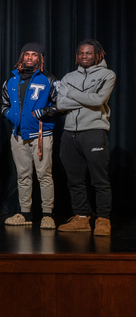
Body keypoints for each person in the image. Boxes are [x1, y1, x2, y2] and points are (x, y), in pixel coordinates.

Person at [56, 39, 116, 236]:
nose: (84, 56)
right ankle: (81, 218)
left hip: (94, 132)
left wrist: (71, 93)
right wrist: (85, 98)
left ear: (98, 54)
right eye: (81, 53)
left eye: (89, 53)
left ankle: (103, 219)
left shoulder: (107, 75)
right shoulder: (68, 76)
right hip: (69, 134)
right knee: (74, 180)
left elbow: (99, 100)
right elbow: (60, 104)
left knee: (99, 179)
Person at [1, 42, 60, 229]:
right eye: (26, 54)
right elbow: (2, 105)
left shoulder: (49, 79)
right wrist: (11, 116)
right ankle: (25, 213)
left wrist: (42, 113)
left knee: (44, 174)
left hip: (41, 134)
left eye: (34, 55)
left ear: (40, 58)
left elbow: (61, 104)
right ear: (22, 56)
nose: (29, 58)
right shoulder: (11, 80)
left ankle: (47, 215)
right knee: (23, 175)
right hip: (18, 135)